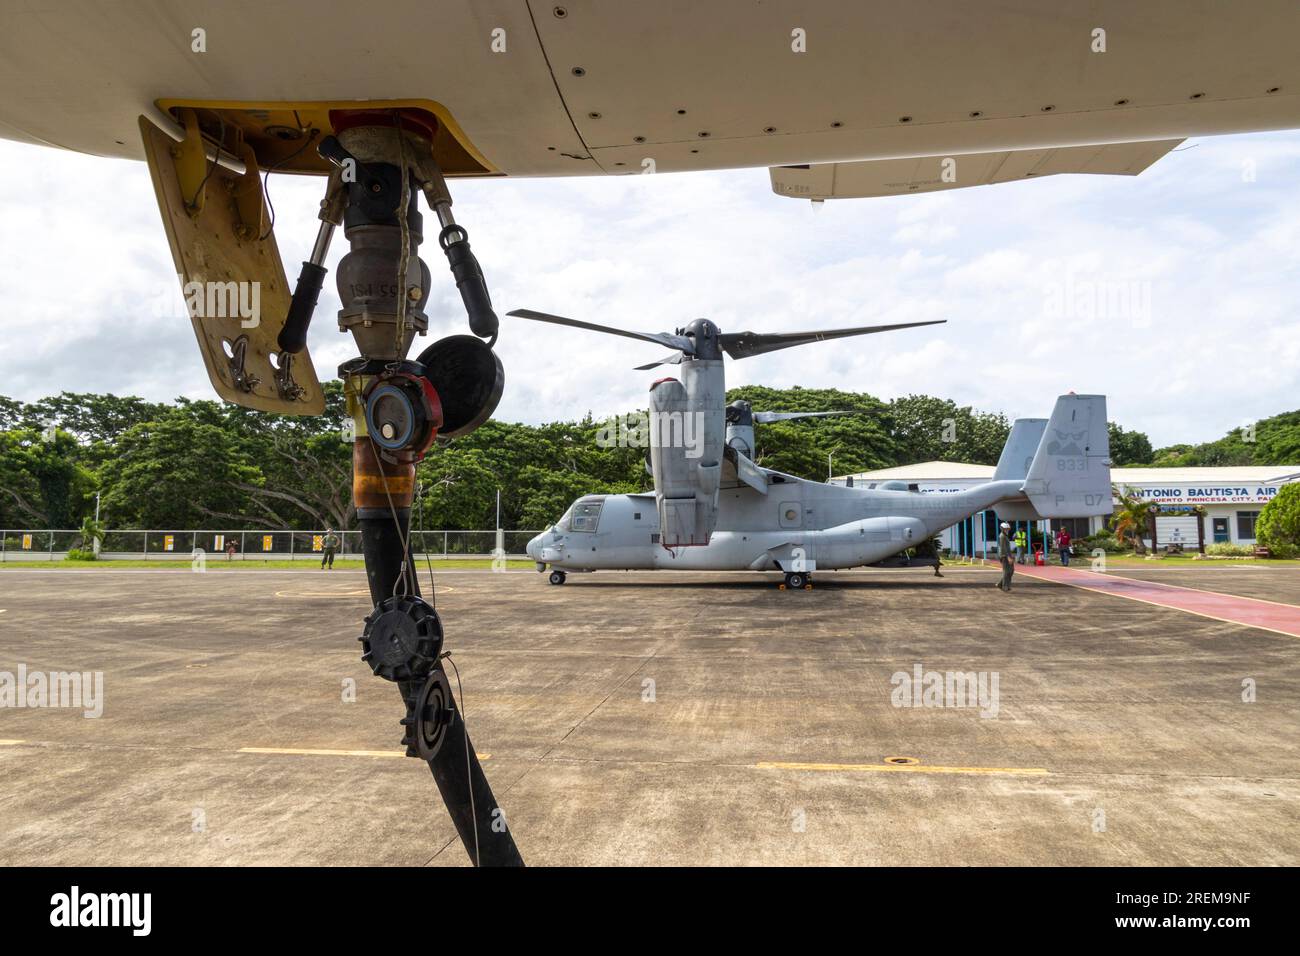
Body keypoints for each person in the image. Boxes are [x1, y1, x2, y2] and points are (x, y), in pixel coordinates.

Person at [996, 521, 1014, 591]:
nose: (1007, 530)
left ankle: (1001, 584)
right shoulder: (1002, 536)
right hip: (1004, 556)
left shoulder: (1005, 536)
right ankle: (1004, 586)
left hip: (1008, 555)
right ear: (1002, 529)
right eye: (1005, 529)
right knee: (1006, 571)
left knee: (1011, 570)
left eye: (1008, 528)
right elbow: (1003, 548)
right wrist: (1008, 557)